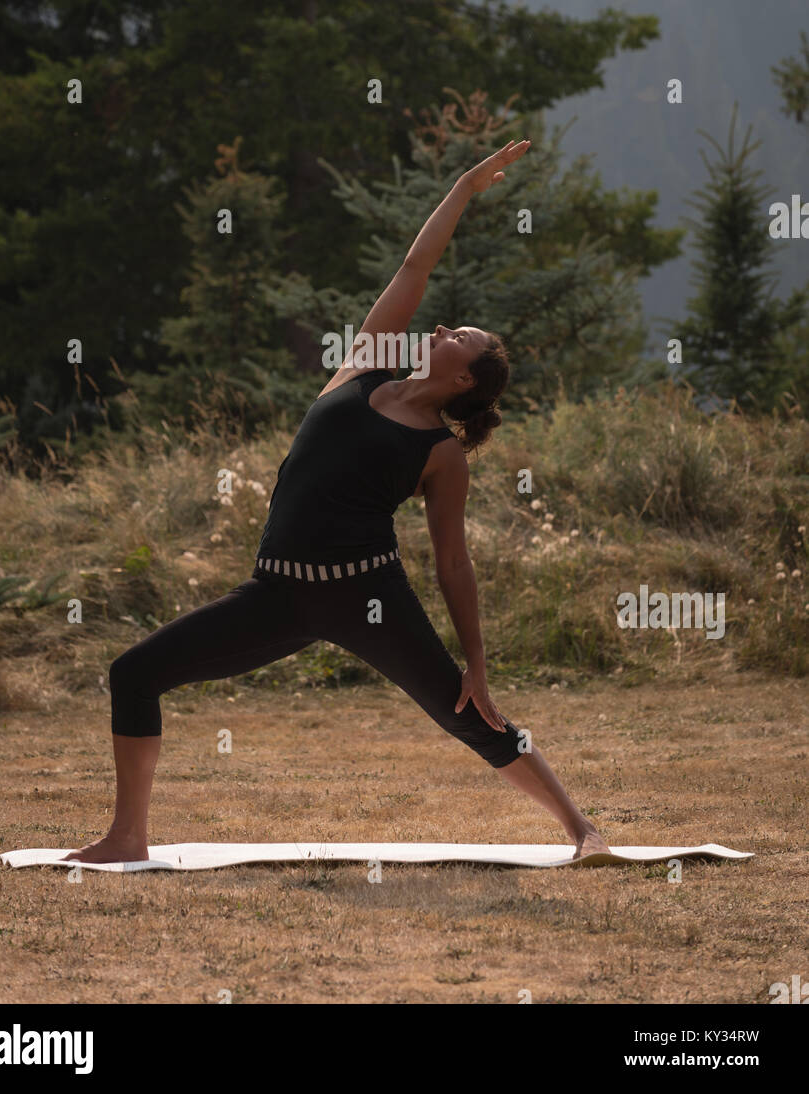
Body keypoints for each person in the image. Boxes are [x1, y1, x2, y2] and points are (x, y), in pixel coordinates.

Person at [64, 138, 609, 864]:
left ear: (463, 383)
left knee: (466, 712)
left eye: (459, 338)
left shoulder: (440, 454)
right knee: (133, 673)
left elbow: (452, 560)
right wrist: (462, 188)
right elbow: (414, 268)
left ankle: (583, 832)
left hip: (367, 597)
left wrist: (476, 663)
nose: (441, 328)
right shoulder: (362, 368)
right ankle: (126, 836)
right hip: (277, 594)